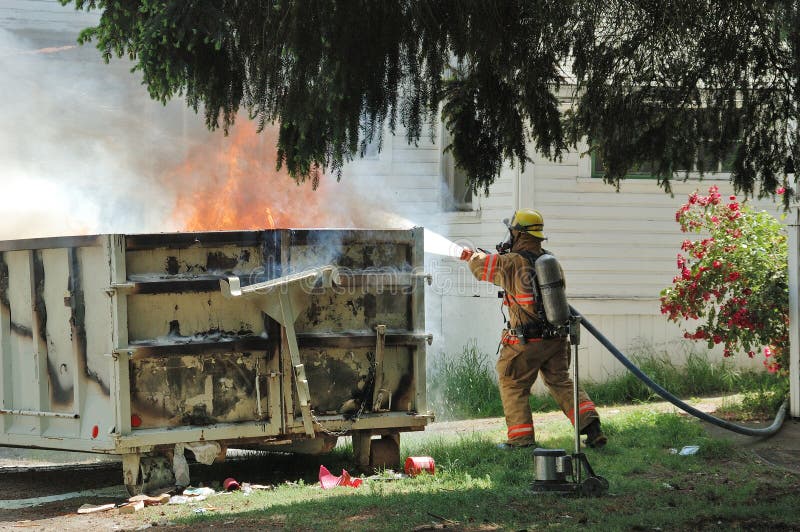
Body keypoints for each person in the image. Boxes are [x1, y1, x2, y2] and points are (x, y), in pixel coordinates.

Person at [459, 208, 607, 450]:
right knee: (561, 381)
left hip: (527, 343)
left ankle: (521, 440)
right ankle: (592, 429)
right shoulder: (551, 261)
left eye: (512, 232)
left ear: (518, 235)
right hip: (557, 339)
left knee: (512, 382)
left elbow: (481, 268)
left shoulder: (512, 263)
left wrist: (471, 256)